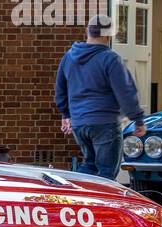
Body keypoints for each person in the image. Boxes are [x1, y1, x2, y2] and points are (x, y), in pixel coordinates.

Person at [54, 13, 145, 180]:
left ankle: (79, 191)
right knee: (106, 173)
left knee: (89, 165)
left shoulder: (69, 57)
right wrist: (138, 119)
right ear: (108, 35)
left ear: (87, 31)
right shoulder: (110, 59)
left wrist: (66, 114)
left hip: (79, 124)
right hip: (104, 123)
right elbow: (125, 92)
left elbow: (60, 89)